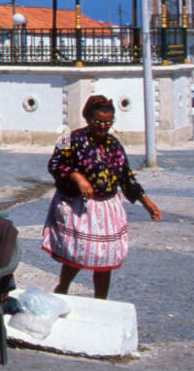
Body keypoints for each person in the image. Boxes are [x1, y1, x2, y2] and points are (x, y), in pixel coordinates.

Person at [41, 95, 162, 299]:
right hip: (78, 206)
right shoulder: (69, 139)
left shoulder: (114, 145)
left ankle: (101, 300)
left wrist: (146, 203)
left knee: (105, 256)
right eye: (98, 122)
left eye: (107, 123)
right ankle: (63, 287)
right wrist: (77, 176)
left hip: (106, 206)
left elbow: (126, 176)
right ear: (88, 119)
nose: (103, 127)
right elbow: (54, 164)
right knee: (79, 251)